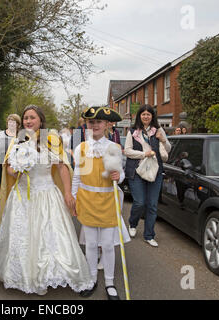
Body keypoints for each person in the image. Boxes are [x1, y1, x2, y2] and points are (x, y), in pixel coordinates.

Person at [0, 105, 94, 296]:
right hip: (22, 197)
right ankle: (25, 273)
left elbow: (62, 167)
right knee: (24, 236)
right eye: (26, 118)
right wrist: (19, 166)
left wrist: (68, 193)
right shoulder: (18, 140)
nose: (28, 121)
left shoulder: (51, 139)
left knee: (51, 236)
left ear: (40, 120)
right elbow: (10, 170)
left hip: (46, 194)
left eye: (32, 118)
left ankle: (51, 273)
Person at [71, 106, 130, 300]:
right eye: (91, 122)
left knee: (106, 244)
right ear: (87, 125)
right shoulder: (81, 148)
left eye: (99, 122)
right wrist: (73, 198)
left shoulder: (113, 148)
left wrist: (118, 176)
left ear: (107, 125)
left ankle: (110, 282)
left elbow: (121, 174)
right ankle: (91, 279)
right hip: (87, 200)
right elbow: (77, 176)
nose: (95, 125)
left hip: (107, 200)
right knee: (90, 244)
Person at [124, 105, 171, 247]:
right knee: (139, 202)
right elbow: (127, 151)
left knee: (152, 205)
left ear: (152, 116)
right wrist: (143, 154)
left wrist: (162, 139)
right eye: (143, 114)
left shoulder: (159, 130)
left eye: (148, 114)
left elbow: (168, 150)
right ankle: (133, 223)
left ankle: (149, 235)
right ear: (139, 116)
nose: (146, 116)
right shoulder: (132, 131)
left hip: (155, 171)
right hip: (137, 171)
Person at [0, 114, 21, 184]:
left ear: (18, 124)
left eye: (14, 122)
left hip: (14, 167)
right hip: (1, 165)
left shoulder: (20, 136)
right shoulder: (1, 133)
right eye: (9, 122)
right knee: (2, 186)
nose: (11, 124)